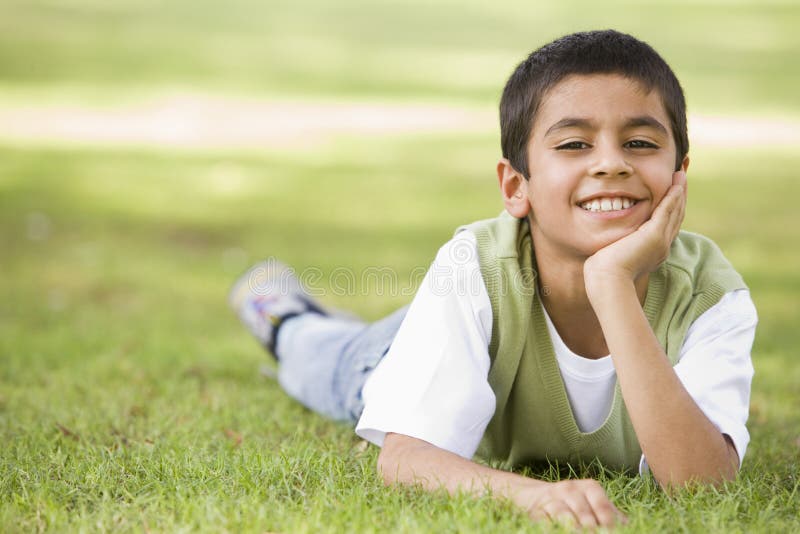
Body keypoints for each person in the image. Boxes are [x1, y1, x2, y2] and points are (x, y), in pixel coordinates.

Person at [229, 29, 756, 529]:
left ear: (680, 174)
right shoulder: (473, 267)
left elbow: (701, 486)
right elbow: (404, 459)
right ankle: (280, 309)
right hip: (413, 345)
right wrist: (533, 497)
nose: (611, 163)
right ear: (515, 186)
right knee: (328, 358)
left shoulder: (711, 294)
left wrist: (611, 284)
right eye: (574, 145)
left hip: (473, 336)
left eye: (640, 142)